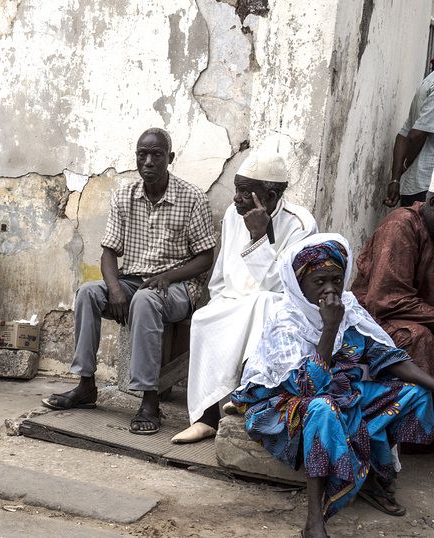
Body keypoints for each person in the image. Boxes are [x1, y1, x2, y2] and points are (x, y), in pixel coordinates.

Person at [233, 234, 434, 538]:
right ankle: (315, 519)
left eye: (336, 280)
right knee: (322, 408)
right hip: (284, 406)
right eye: (319, 282)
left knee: (415, 394)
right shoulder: (286, 320)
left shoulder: (349, 309)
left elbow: (384, 356)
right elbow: (307, 387)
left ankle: (372, 476)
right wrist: (329, 328)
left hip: (343, 395)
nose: (330, 290)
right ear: (300, 285)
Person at [43, 128, 217, 435]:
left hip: (175, 287)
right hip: (132, 280)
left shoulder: (192, 199)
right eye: (142, 154)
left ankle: (149, 401)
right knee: (87, 293)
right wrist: (114, 289)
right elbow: (108, 254)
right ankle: (85, 386)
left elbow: (205, 258)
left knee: (146, 300)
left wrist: (166, 276)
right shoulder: (124, 196)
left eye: (156, 155)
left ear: (170, 158)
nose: (148, 161)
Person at [172, 140, 317, 444]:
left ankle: (248, 397)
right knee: (204, 318)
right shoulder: (231, 214)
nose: (236, 198)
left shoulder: (301, 225)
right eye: (236, 189)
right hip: (234, 301)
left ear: (271, 195)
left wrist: (259, 236)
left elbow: (280, 286)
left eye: (243, 192)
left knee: (263, 304)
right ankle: (205, 417)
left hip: (279, 305)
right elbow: (221, 275)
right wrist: (219, 301)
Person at [351, 184, 434, 375]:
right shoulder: (401, 226)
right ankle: (416, 402)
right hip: (375, 321)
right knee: (418, 337)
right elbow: (386, 301)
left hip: (420, 315)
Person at [383, 68, 434, 207]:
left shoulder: (428, 81)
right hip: (427, 188)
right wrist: (406, 165)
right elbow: (415, 134)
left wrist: (395, 179)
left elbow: (404, 134)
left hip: (415, 186)